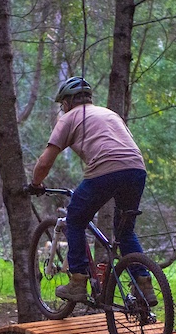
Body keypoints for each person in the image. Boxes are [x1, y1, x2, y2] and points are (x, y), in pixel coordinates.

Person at [29, 76, 156, 305]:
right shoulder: (109, 114)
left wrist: (35, 183)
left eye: (62, 105)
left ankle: (78, 281)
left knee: (75, 220)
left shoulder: (68, 118)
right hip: (136, 169)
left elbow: (45, 162)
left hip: (106, 169)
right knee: (125, 232)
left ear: (67, 103)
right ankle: (144, 285)